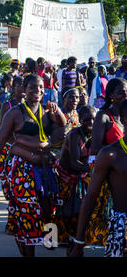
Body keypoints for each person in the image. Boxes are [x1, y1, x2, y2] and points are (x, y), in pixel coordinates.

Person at [0, 74, 66, 257]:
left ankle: (47, 239)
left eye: (41, 87)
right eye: (32, 87)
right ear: (24, 90)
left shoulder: (47, 111)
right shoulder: (15, 113)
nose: (38, 90)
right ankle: (28, 252)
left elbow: (63, 125)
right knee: (27, 211)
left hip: (45, 167)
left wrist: (57, 111)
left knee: (49, 208)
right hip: (23, 168)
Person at [69, 99, 127, 257]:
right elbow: (90, 197)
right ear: (123, 120)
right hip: (121, 228)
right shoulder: (110, 154)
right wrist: (79, 242)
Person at [85, 77, 127, 246]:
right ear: (110, 95)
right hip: (107, 169)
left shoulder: (124, 115)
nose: (125, 94)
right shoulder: (104, 116)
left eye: (126, 91)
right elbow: (95, 148)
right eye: (120, 91)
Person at [54, 105, 95, 245]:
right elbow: (74, 162)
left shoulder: (93, 134)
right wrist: (93, 170)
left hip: (80, 175)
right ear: (80, 120)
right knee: (64, 210)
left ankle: (75, 236)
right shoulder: (74, 135)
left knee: (79, 208)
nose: (91, 123)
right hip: (66, 176)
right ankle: (59, 238)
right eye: (87, 120)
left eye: (93, 119)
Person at [0, 75, 25, 235]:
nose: (22, 88)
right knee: (11, 190)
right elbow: (2, 132)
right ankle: (13, 224)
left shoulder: (32, 106)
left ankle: (19, 223)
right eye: (19, 85)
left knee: (20, 190)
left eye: (24, 85)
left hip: (25, 152)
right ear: (14, 87)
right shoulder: (8, 106)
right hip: (9, 152)